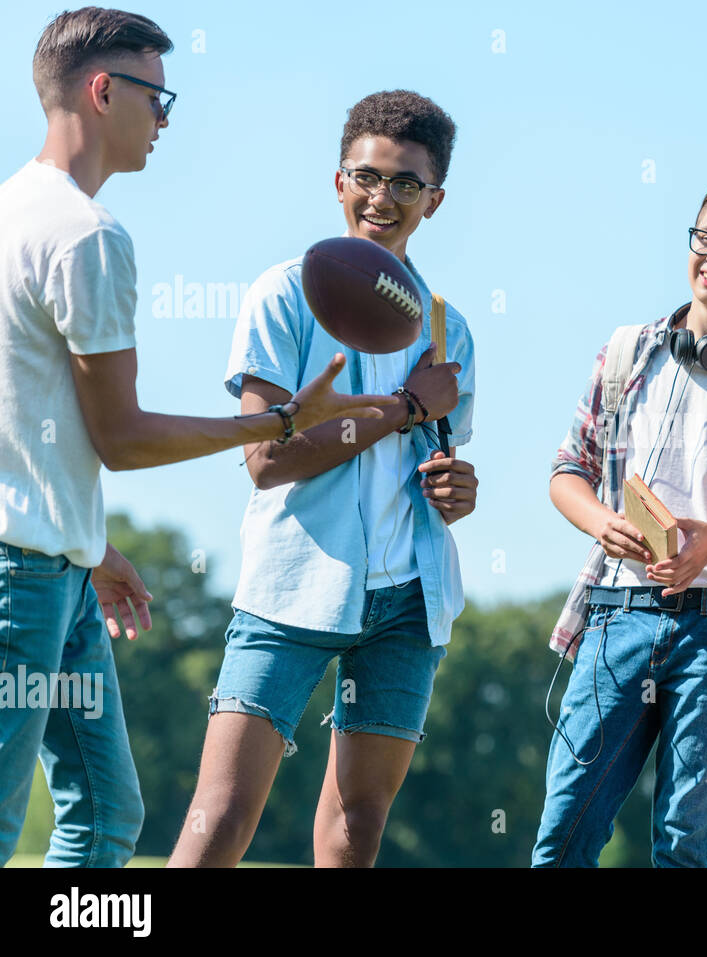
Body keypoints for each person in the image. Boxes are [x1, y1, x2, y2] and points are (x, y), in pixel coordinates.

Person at [0, 7, 395, 868]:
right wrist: (285, 420)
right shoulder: (88, 236)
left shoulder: (10, 212)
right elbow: (124, 437)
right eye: (157, 96)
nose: (167, 119)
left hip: (56, 566)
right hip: (20, 581)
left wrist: (86, 540)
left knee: (107, 817)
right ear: (103, 91)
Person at [166, 90, 476, 868]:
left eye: (407, 183)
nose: (383, 197)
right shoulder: (284, 294)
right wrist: (403, 406)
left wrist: (456, 492)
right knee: (222, 815)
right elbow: (266, 460)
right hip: (294, 583)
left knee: (357, 827)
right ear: (339, 181)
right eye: (367, 176)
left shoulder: (450, 327)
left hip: (408, 599)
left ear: (434, 200)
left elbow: (435, 462)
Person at [533, 183, 707, 867]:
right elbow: (568, 470)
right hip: (616, 614)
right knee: (564, 829)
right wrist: (604, 524)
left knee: (686, 846)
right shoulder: (627, 352)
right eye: (706, 238)